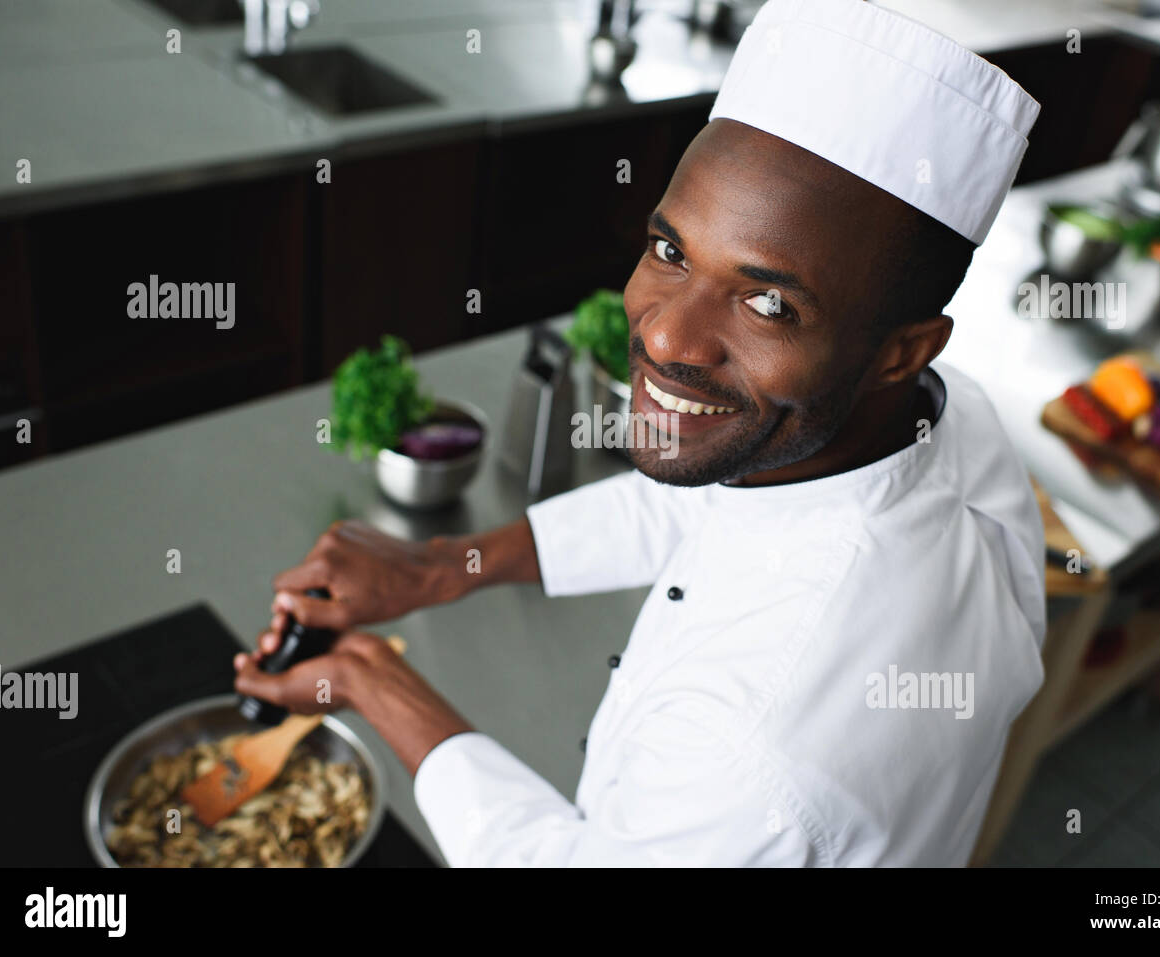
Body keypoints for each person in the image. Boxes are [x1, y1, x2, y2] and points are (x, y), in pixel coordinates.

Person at [235, 0, 1046, 866]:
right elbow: (719, 514)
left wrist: (372, 678)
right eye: (671, 251)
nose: (664, 336)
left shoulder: (757, 753)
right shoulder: (920, 418)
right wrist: (443, 566)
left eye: (769, 302)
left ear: (901, 348)